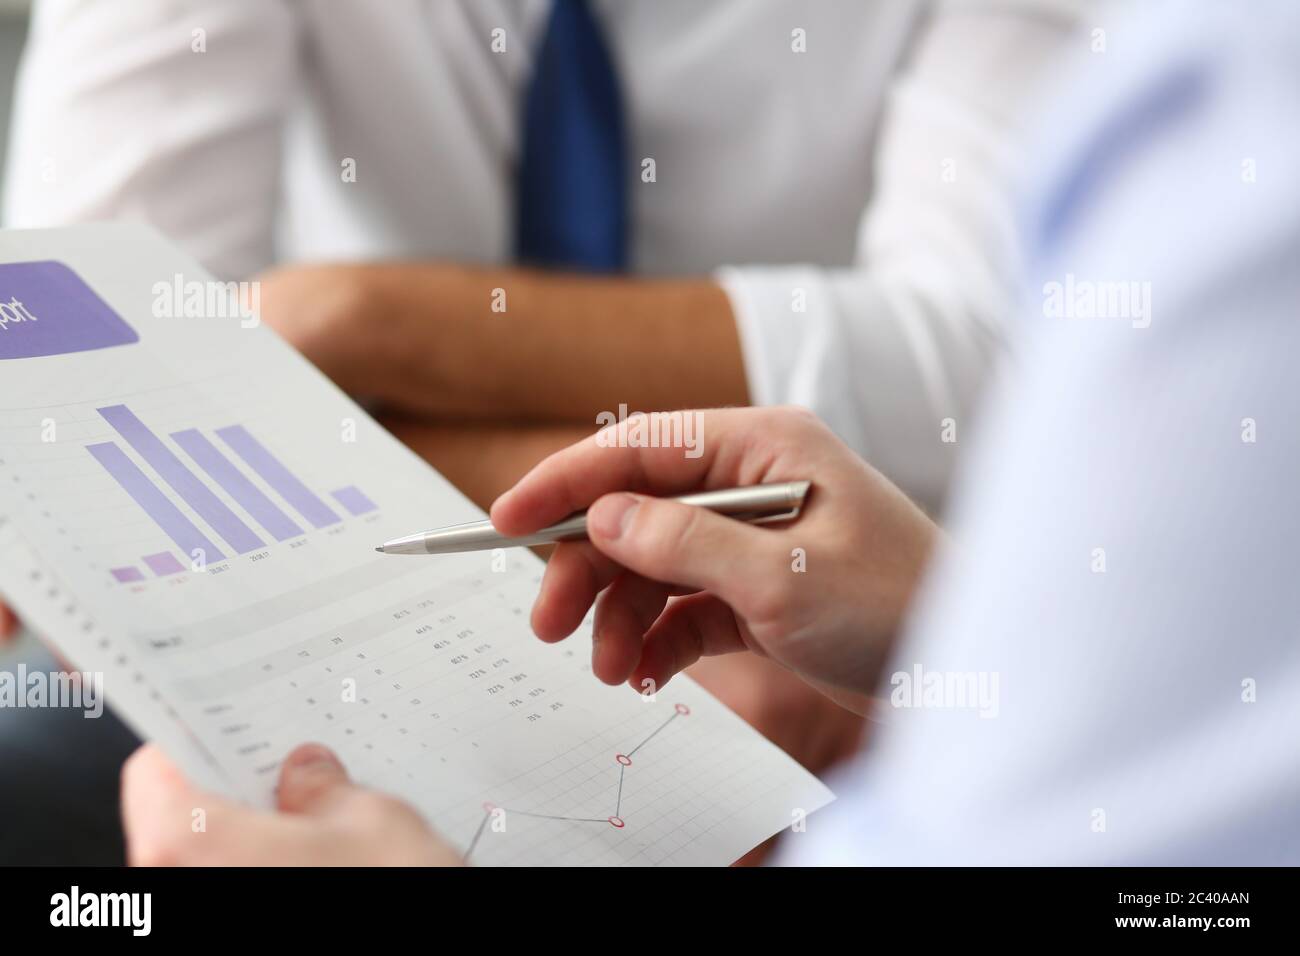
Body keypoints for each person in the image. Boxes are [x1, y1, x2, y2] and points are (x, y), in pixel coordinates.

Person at [120, 1, 1300, 865]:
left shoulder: (1238, 93)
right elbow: (110, 338)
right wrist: (940, 642)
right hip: (400, 653)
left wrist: (343, 326)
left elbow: (980, 357)